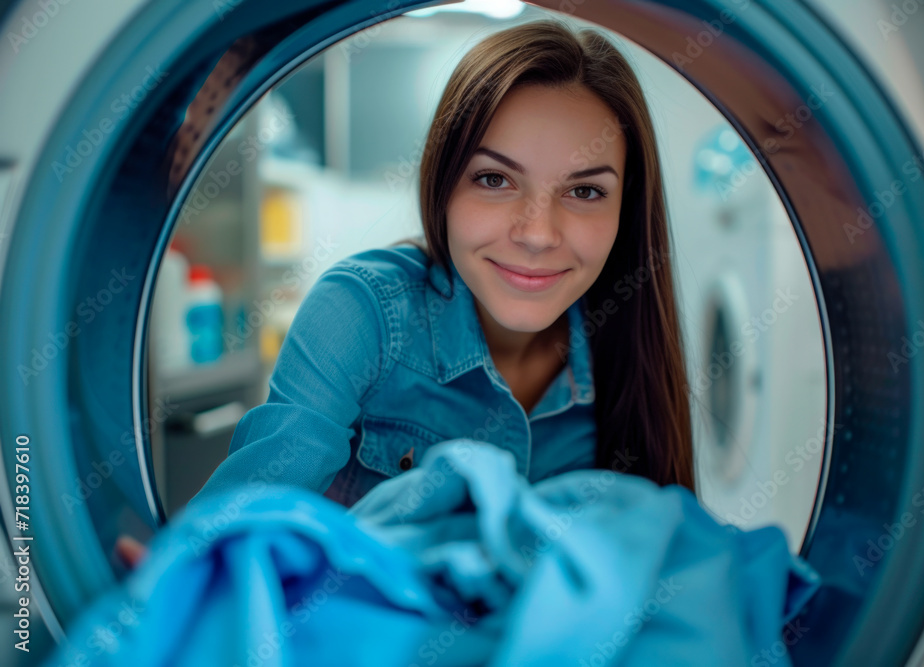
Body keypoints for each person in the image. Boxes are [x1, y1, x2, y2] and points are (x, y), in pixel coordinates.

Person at [118, 18, 694, 568]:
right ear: (443, 187)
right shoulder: (363, 310)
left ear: (627, 212)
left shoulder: (629, 341)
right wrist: (185, 575)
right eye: (494, 179)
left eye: (586, 192)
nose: (538, 234)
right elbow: (249, 510)